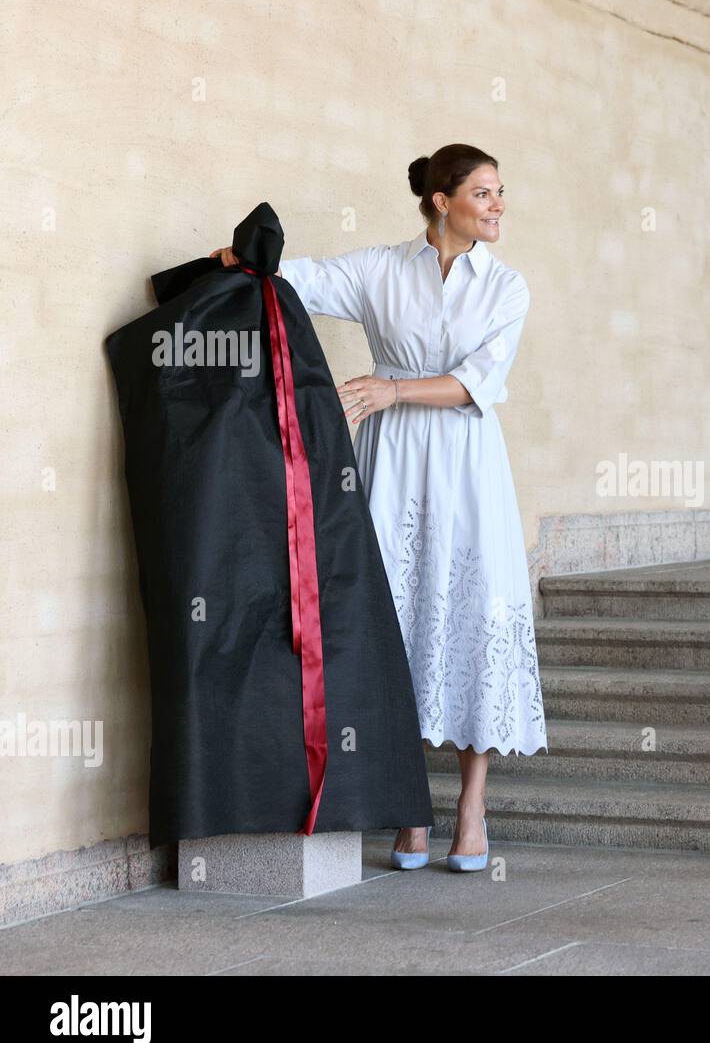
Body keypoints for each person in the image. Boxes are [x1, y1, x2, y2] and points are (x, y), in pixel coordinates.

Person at [211, 144, 546, 873]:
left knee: (469, 613)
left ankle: (471, 805)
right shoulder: (382, 269)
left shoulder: (508, 288)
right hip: (391, 461)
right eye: (483, 193)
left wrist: (391, 390)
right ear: (440, 200)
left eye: (499, 192)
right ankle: (409, 805)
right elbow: (301, 279)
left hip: (467, 461)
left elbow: (476, 381)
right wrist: (240, 265)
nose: (497, 206)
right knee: (392, 617)